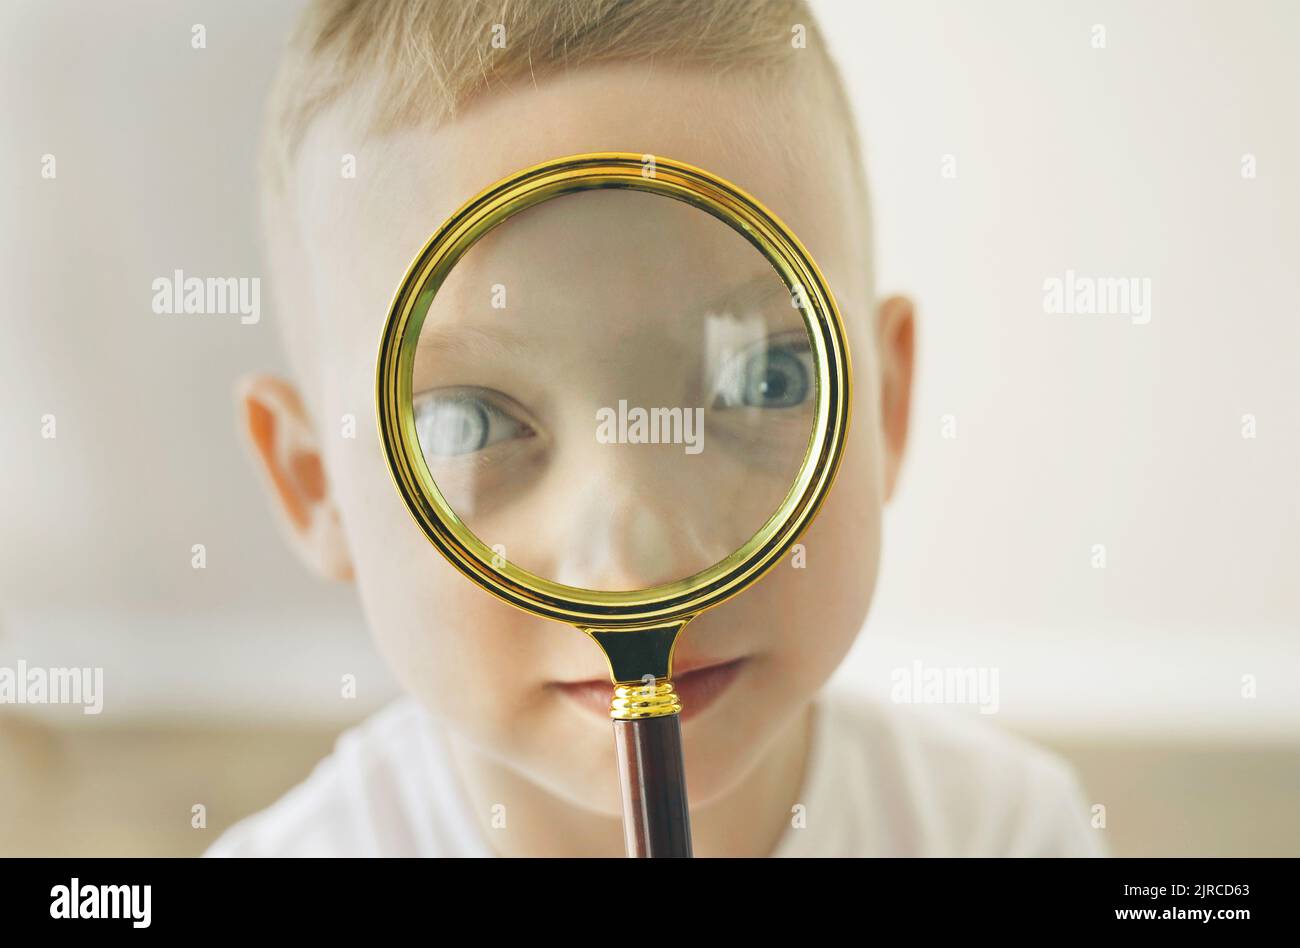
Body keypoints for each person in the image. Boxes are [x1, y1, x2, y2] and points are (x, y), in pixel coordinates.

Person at [207, 0, 1102, 858]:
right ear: (313, 483)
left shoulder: (1005, 834)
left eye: (764, 377)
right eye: (471, 419)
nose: (639, 563)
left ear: (888, 402)